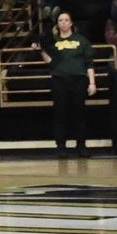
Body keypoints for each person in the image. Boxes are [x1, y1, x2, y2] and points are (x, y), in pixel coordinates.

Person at [38, 12, 96, 157]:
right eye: (60, 20)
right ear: (57, 24)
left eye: (66, 20)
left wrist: (92, 82)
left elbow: (89, 63)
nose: (63, 23)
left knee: (80, 114)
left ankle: (81, 146)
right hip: (59, 80)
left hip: (78, 79)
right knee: (60, 114)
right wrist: (41, 50)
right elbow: (50, 62)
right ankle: (61, 147)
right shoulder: (53, 42)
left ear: (71, 23)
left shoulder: (81, 41)